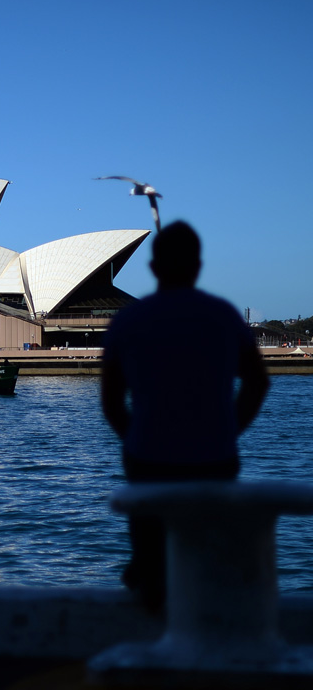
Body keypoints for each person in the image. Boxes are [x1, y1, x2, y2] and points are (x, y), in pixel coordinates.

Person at [101, 220, 268, 612]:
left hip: (147, 457)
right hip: (214, 457)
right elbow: (258, 383)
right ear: (197, 265)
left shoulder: (128, 321)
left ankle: (149, 594)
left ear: (154, 267)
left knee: (152, 551)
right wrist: (229, 430)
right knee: (208, 547)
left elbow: (110, 402)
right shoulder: (224, 316)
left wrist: (135, 435)